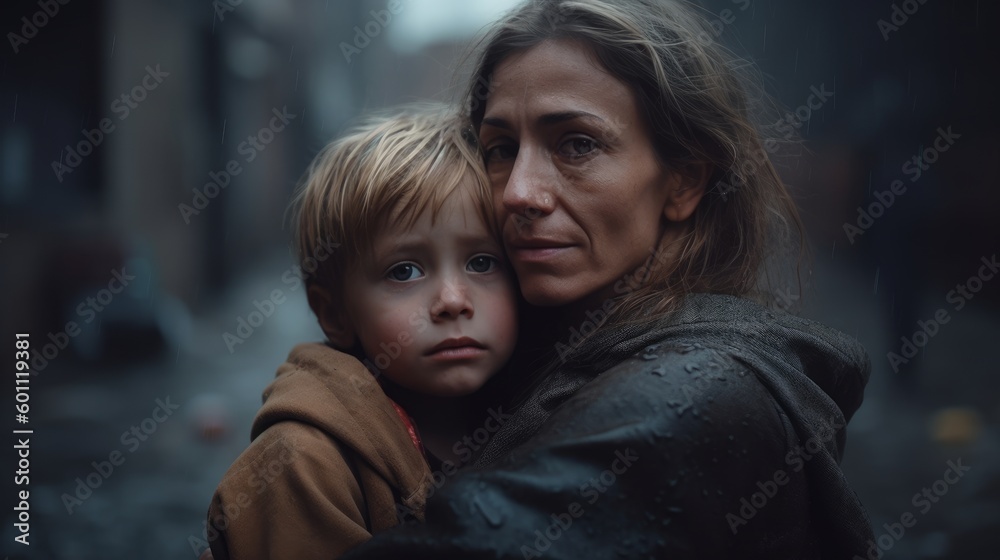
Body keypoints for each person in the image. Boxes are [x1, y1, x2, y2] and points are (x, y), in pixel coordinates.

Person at [204, 0, 873, 557]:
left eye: (577, 144)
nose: (518, 191)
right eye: (500, 148)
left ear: (684, 181)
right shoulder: (511, 364)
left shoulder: (694, 398)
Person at [201, 105, 519, 560]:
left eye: (482, 262)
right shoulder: (302, 465)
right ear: (334, 314)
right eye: (405, 271)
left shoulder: (541, 409)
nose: (453, 300)